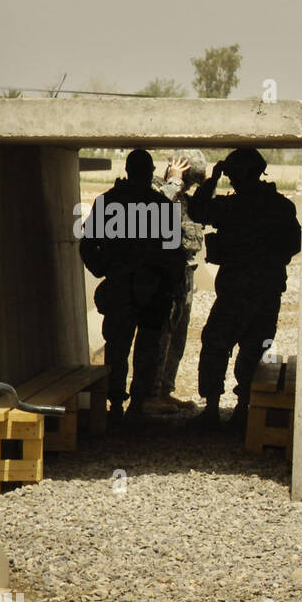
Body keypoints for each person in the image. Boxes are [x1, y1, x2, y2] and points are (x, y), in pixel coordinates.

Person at [188, 148, 302, 434]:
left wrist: (211, 179)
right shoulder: (281, 206)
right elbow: (295, 244)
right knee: (253, 350)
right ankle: (243, 410)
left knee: (215, 344)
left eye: (231, 175)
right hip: (266, 292)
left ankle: (212, 409)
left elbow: (197, 209)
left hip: (235, 292)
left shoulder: (233, 207)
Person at [78, 148, 183, 427]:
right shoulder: (162, 206)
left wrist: (107, 270)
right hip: (152, 292)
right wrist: (171, 289)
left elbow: (88, 247)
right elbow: (175, 256)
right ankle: (136, 405)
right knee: (147, 349)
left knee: (117, 348)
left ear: (127, 170)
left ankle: (114, 406)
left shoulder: (108, 203)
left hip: (121, 289)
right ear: (150, 173)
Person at [147, 149, 207, 414]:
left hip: (184, 276)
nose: (188, 187)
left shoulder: (183, 199)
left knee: (178, 335)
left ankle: (165, 390)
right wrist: (173, 181)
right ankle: (150, 393)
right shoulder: (158, 193)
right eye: (187, 180)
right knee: (160, 334)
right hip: (163, 277)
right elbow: (151, 215)